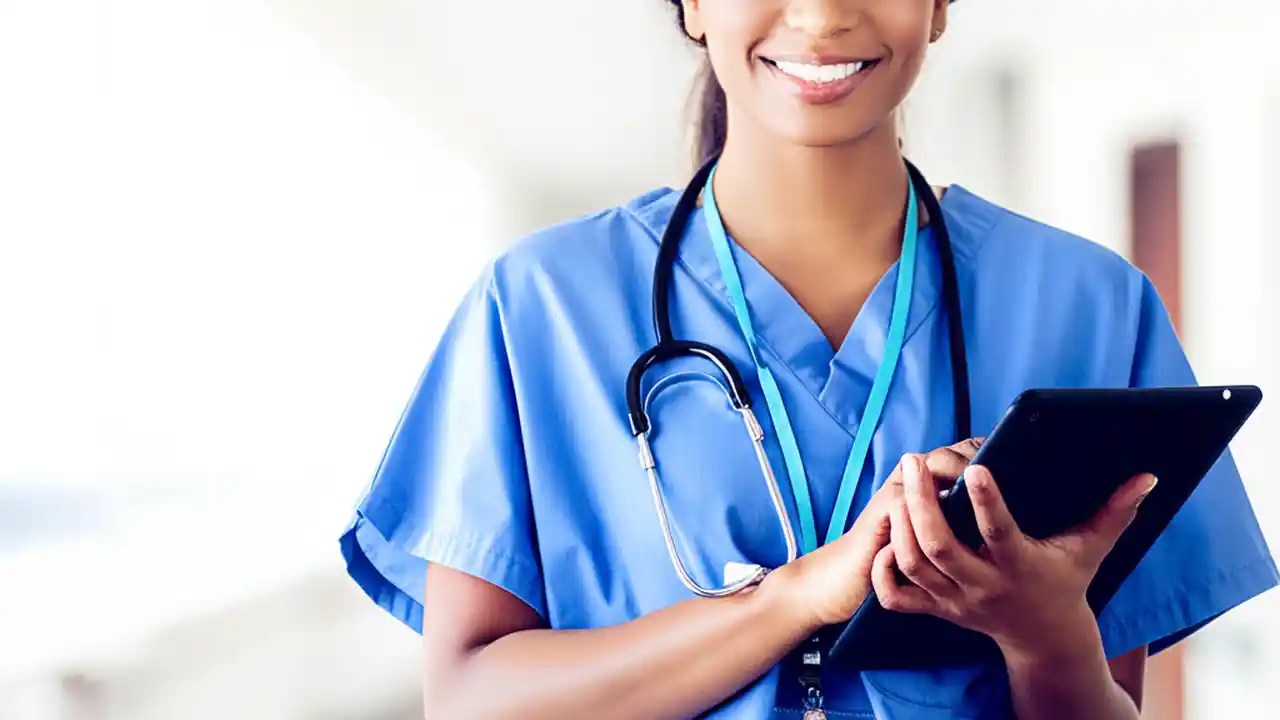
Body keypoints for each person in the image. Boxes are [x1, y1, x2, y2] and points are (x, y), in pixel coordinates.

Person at [339, 1, 1278, 717]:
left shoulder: (1091, 306)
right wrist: (790, 601)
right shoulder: (537, 307)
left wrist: (1047, 637)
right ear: (693, 5)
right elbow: (469, 699)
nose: (825, 13)